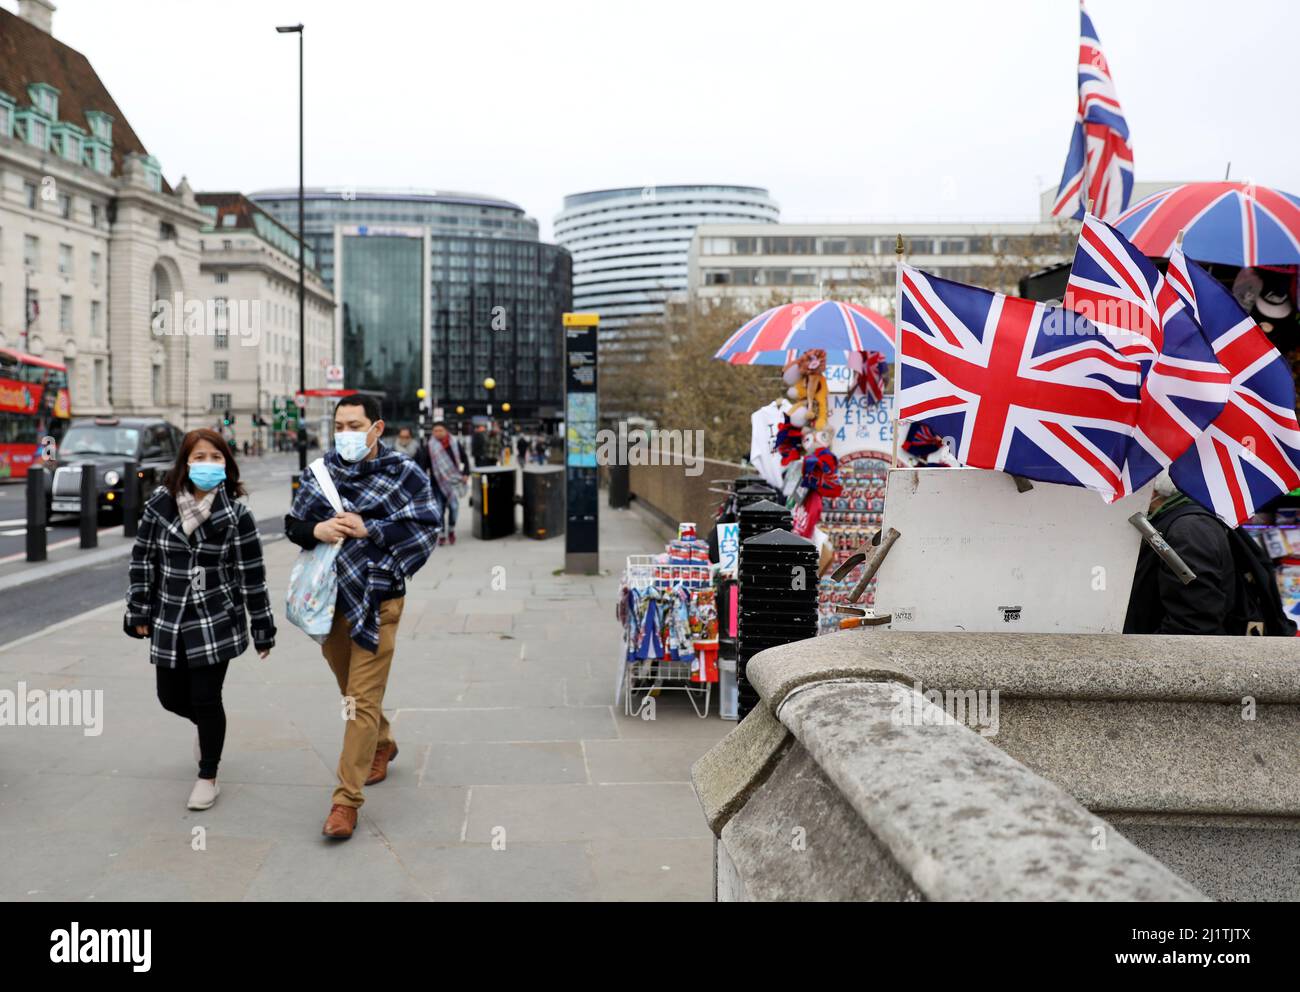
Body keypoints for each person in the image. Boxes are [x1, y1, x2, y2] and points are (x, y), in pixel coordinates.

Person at [284, 395, 441, 839]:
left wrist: (370, 527)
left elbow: (426, 526)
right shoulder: (319, 473)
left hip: (378, 598)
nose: (346, 434)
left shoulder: (404, 474)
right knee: (350, 690)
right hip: (328, 600)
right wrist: (317, 529)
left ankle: (344, 802)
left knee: (361, 700)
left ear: (377, 428)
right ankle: (384, 743)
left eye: (355, 425)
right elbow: (293, 525)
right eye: (340, 425)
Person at [124, 429, 275, 811]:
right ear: (185, 463)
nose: (207, 464)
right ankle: (208, 731)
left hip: (215, 619)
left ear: (227, 464)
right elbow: (143, 559)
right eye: (200, 457)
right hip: (169, 616)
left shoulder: (238, 515)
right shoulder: (160, 505)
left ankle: (208, 774)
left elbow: (251, 575)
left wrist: (262, 628)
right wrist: (138, 608)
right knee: (170, 697)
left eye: (216, 458)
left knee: (207, 698)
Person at [1124, 470, 1235, 635]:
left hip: (1166, 654)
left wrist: (1145, 656)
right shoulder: (1176, 520)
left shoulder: (1189, 529)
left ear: (1150, 488)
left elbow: (1192, 624)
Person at [415, 420, 470, 545]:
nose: (437, 433)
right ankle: (442, 534)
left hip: (454, 482)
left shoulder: (455, 443)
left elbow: (465, 458)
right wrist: (423, 481)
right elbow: (423, 465)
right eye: (435, 431)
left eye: (440, 430)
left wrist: (466, 473)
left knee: (454, 508)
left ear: (446, 431)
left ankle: (451, 529)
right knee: (439, 510)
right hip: (436, 483)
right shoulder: (429, 446)